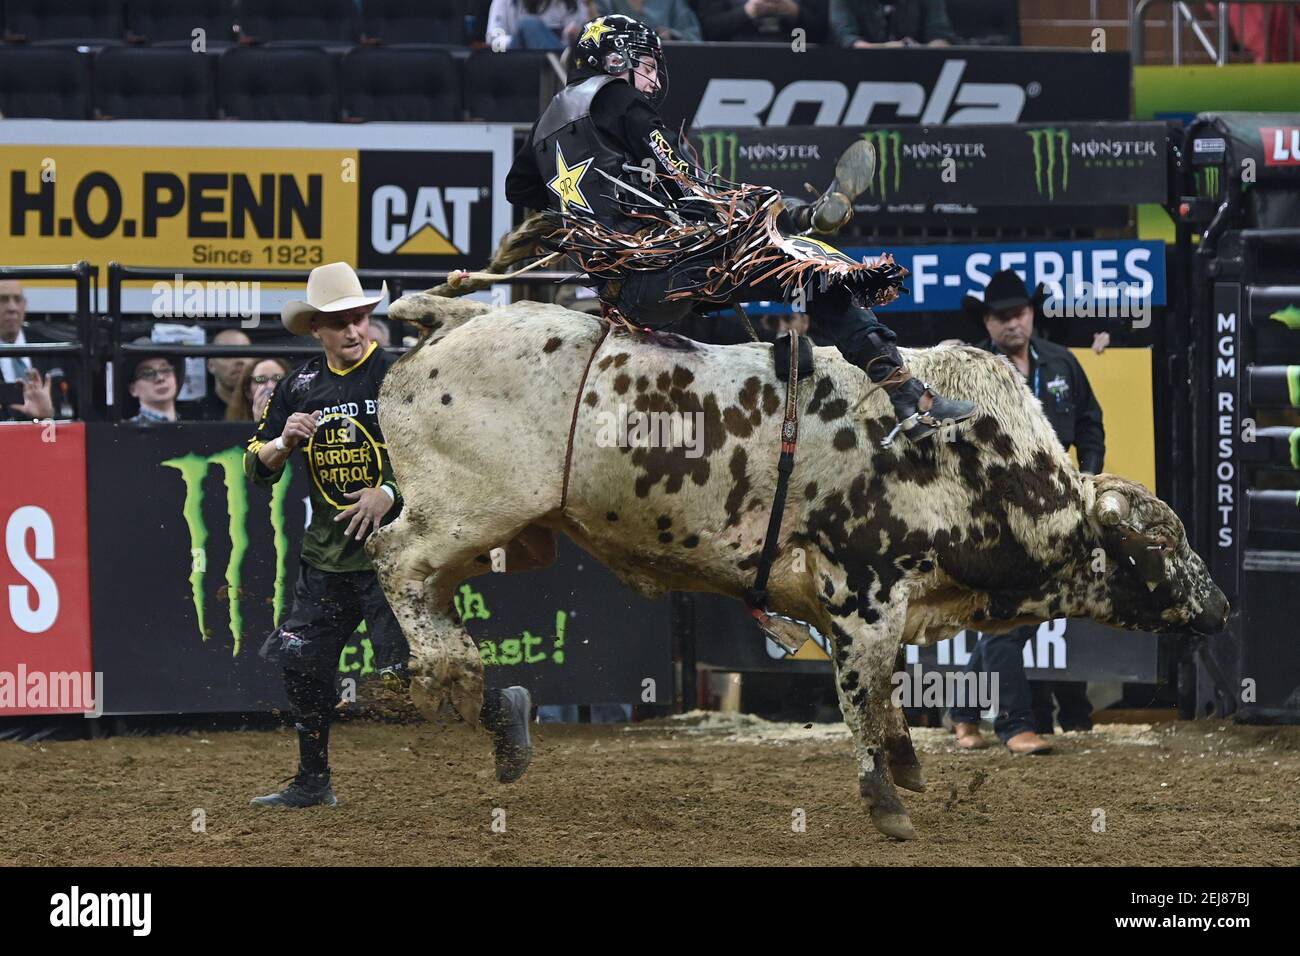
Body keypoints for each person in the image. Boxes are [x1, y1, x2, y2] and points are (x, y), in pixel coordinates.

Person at [505, 14, 974, 443]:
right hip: (664, 272)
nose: (650, 78)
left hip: (615, 293)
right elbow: (686, 181)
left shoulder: (543, 127)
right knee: (815, 272)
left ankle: (799, 215)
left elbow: (518, 188)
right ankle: (910, 398)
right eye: (645, 64)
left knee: (771, 247)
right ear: (614, 60)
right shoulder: (619, 98)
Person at [244, 262, 532, 808]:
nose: (354, 331)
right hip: (326, 558)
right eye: (340, 322)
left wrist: (390, 490)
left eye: (359, 318)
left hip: (395, 557)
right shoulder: (299, 386)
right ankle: (312, 780)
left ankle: (500, 707)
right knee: (302, 663)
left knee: (409, 672)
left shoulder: (401, 374)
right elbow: (256, 467)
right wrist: (282, 442)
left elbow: (444, 455)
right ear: (317, 330)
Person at [947, 270, 1105, 753]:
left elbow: (1090, 425)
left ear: (1032, 314)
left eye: (1018, 313)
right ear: (988, 323)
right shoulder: (970, 368)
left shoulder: (1060, 363)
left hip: (1055, 511)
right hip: (992, 517)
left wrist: (1089, 481)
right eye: (1001, 317)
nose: (1012, 323)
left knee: (1016, 614)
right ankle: (1015, 725)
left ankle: (964, 711)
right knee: (1010, 614)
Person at [1, 280, 58, 422]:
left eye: (17, 299)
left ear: (25, 305)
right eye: (2, 300)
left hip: (45, 439)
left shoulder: (54, 347)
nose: (12, 308)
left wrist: (47, 415)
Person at [830, 0, 955, 47]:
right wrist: (886, 49)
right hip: (857, 69)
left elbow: (940, 36)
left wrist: (917, 50)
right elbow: (846, 37)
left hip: (916, 69)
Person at [696, 0, 828, 43]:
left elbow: (825, 33)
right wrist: (746, 12)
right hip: (736, 58)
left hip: (797, 53)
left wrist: (794, 12)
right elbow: (708, 31)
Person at [191, 329, 251, 421]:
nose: (239, 360)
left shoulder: (266, 409)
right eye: (228, 354)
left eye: (246, 354)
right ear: (211, 365)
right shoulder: (193, 415)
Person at [487, 0, 586, 50]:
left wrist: (571, 37)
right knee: (529, 24)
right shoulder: (506, 2)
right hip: (517, 58)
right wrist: (520, 37)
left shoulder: (573, 4)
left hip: (559, 60)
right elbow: (494, 41)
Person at [125, 342, 184, 425]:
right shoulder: (127, 430)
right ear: (133, 389)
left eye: (165, 370)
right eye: (147, 374)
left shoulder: (192, 425)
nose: (160, 378)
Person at [594, 0, 703, 40]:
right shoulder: (605, 2)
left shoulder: (671, 3)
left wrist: (672, 35)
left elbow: (694, 37)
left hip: (666, 66)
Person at [226, 357, 289, 422]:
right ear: (248, 391)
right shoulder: (234, 426)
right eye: (260, 379)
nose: (271, 386)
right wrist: (260, 422)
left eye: (278, 378)